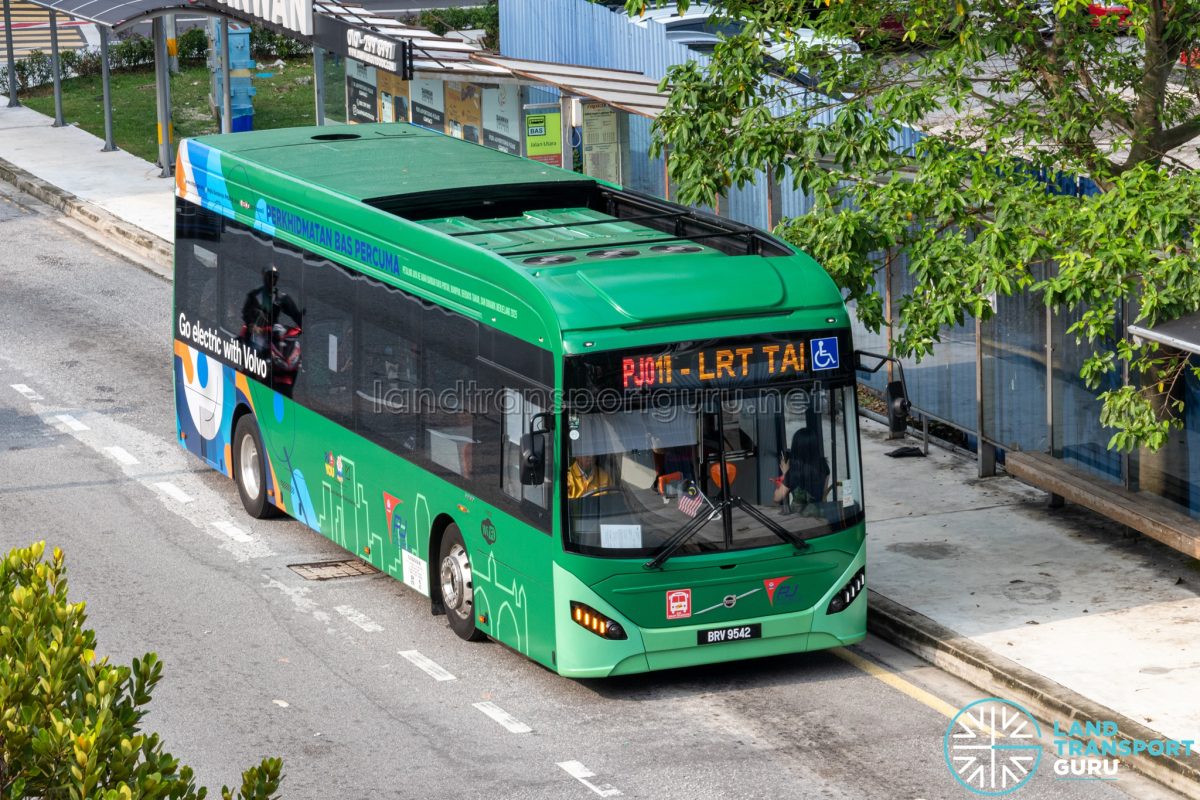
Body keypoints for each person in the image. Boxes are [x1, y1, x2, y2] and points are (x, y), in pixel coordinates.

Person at [773, 423, 830, 507]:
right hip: (818, 514)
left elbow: (776, 498)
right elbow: (823, 494)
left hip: (800, 517)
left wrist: (785, 474)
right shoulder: (823, 465)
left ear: (796, 448)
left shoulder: (794, 471)